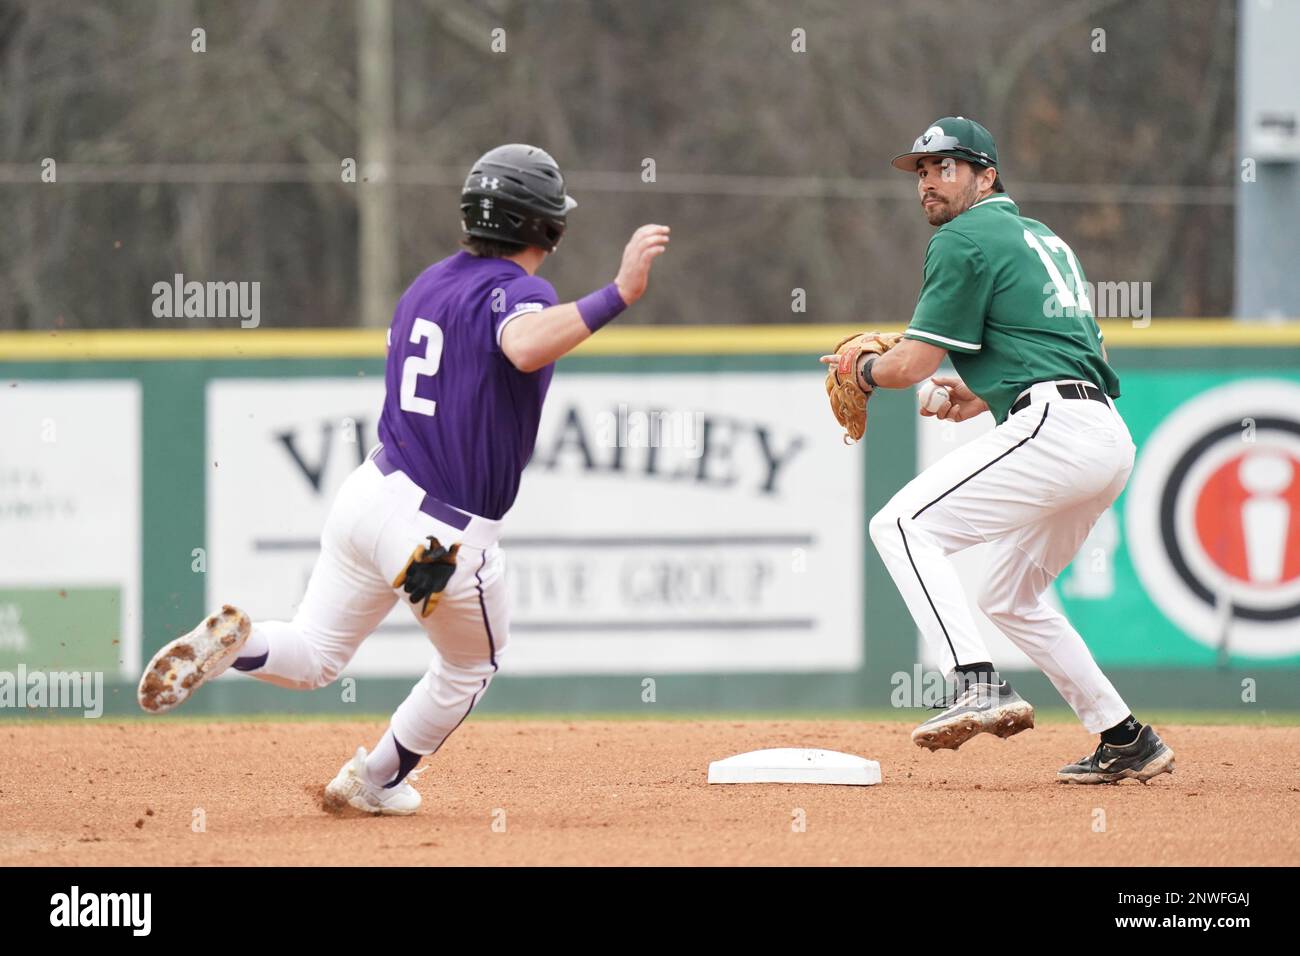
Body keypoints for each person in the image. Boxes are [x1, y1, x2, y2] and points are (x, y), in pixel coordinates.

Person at [138, 144, 670, 812]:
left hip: (369, 496)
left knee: (311, 654)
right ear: (545, 227)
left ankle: (240, 645)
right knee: (471, 664)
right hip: (437, 539)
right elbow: (524, 343)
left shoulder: (429, 283)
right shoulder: (522, 291)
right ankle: (374, 779)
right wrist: (619, 294)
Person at [824, 117, 1174, 784]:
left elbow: (911, 363)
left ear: (986, 175)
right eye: (921, 170)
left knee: (898, 525)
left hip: (1056, 428)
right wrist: (982, 395)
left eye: (946, 166)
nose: (928, 181)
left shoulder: (964, 237)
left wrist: (860, 373)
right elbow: (1061, 349)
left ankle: (978, 684)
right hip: (1101, 433)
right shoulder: (1043, 238)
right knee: (1011, 596)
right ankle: (1125, 737)